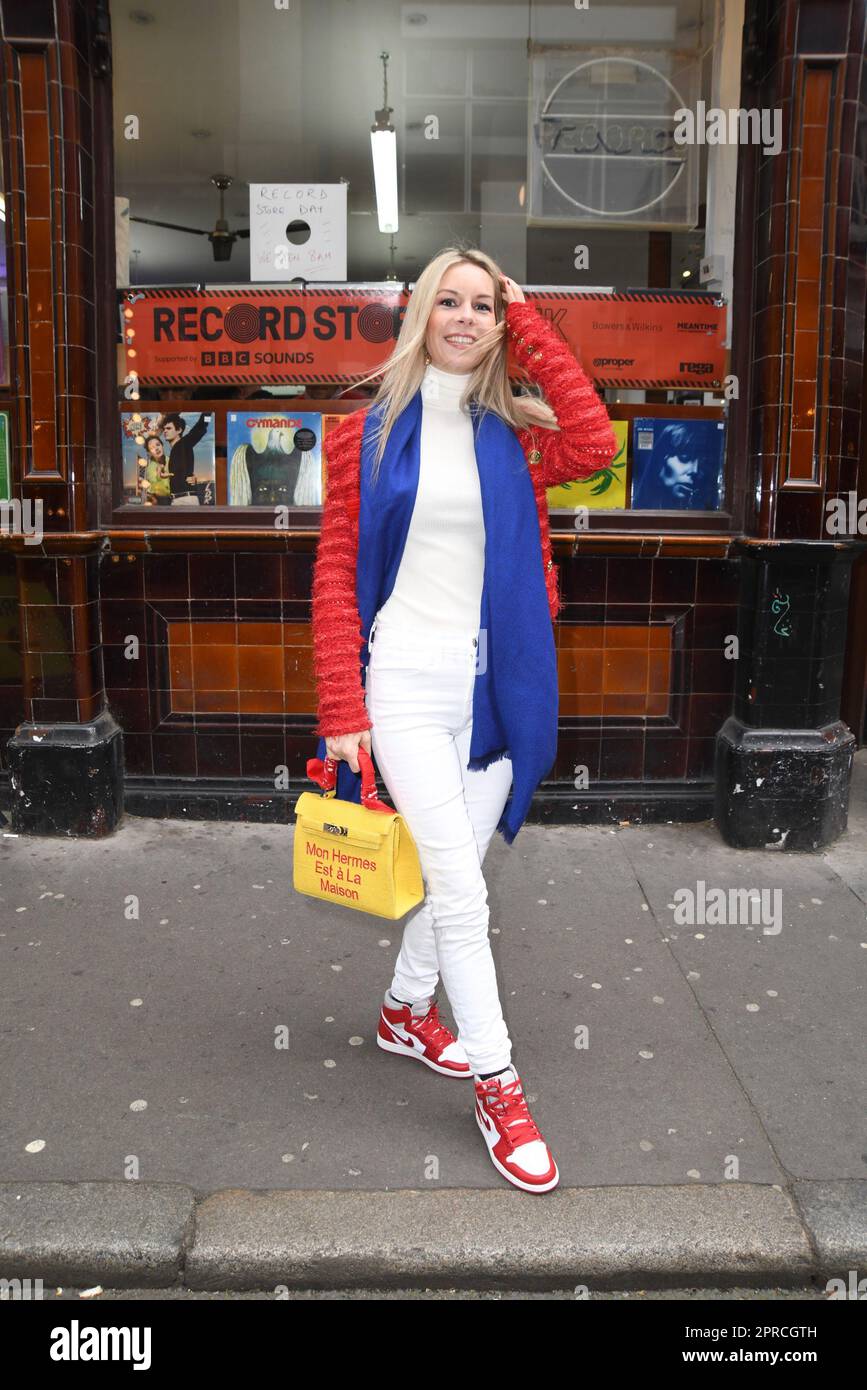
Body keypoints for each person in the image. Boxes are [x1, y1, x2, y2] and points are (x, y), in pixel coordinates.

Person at [310, 246, 618, 1194]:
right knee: (460, 890)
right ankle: (500, 1084)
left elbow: (596, 441)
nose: (466, 317)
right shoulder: (359, 436)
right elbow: (334, 574)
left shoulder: (520, 436)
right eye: (449, 300)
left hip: (492, 690)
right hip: (400, 680)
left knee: (457, 875)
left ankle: (407, 1010)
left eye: (483, 305)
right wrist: (341, 708)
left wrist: (533, 321)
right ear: (418, 315)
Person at [161, 412, 209, 499]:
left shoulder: (184, 443)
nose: (165, 431)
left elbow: (201, 426)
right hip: (178, 499)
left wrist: (208, 414)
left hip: (185, 498)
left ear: (179, 430)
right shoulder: (175, 450)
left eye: (168, 428)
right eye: (164, 428)